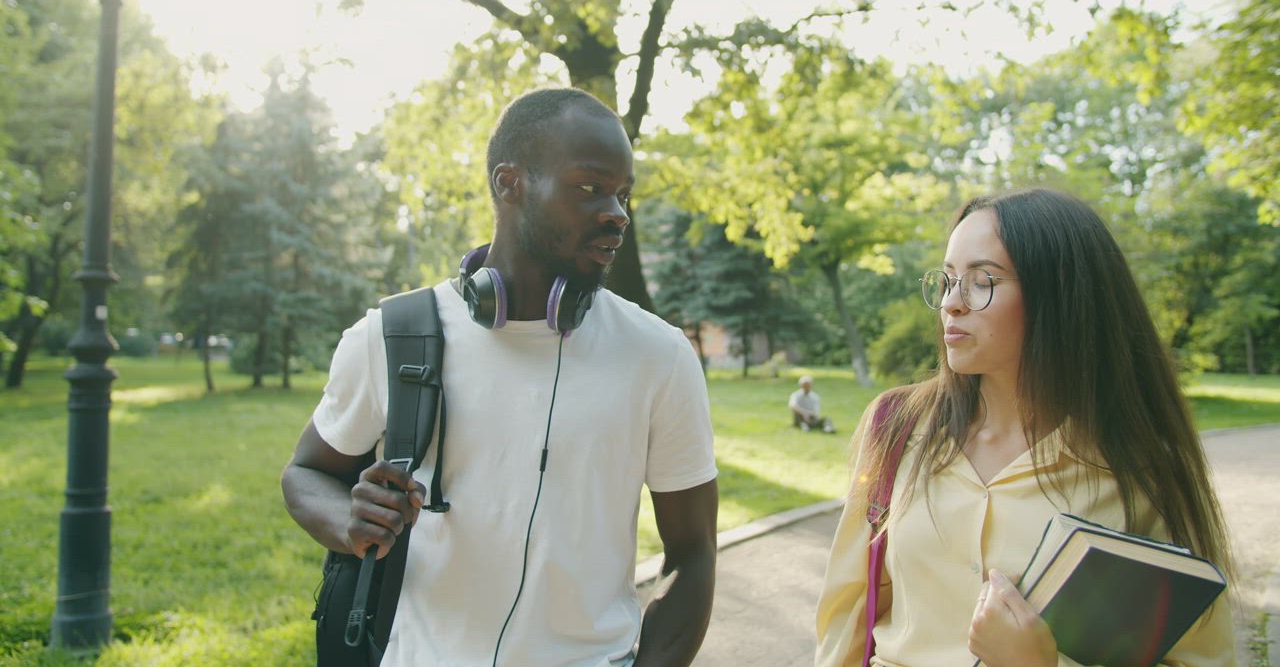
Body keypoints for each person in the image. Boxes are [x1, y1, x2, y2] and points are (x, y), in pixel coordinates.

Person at [281, 88, 719, 666]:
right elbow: (306, 472)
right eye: (590, 188)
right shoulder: (392, 335)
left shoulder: (659, 356)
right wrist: (350, 520)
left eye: (622, 193)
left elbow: (692, 554)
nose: (617, 212)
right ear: (509, 183)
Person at [815, 188, 1236, 667]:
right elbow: (846, 617)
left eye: (983, 281)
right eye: (949, 280)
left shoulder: (1142, 470)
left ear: (1059, 295)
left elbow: (1201, 658)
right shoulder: (897, 427)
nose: (952, 303)